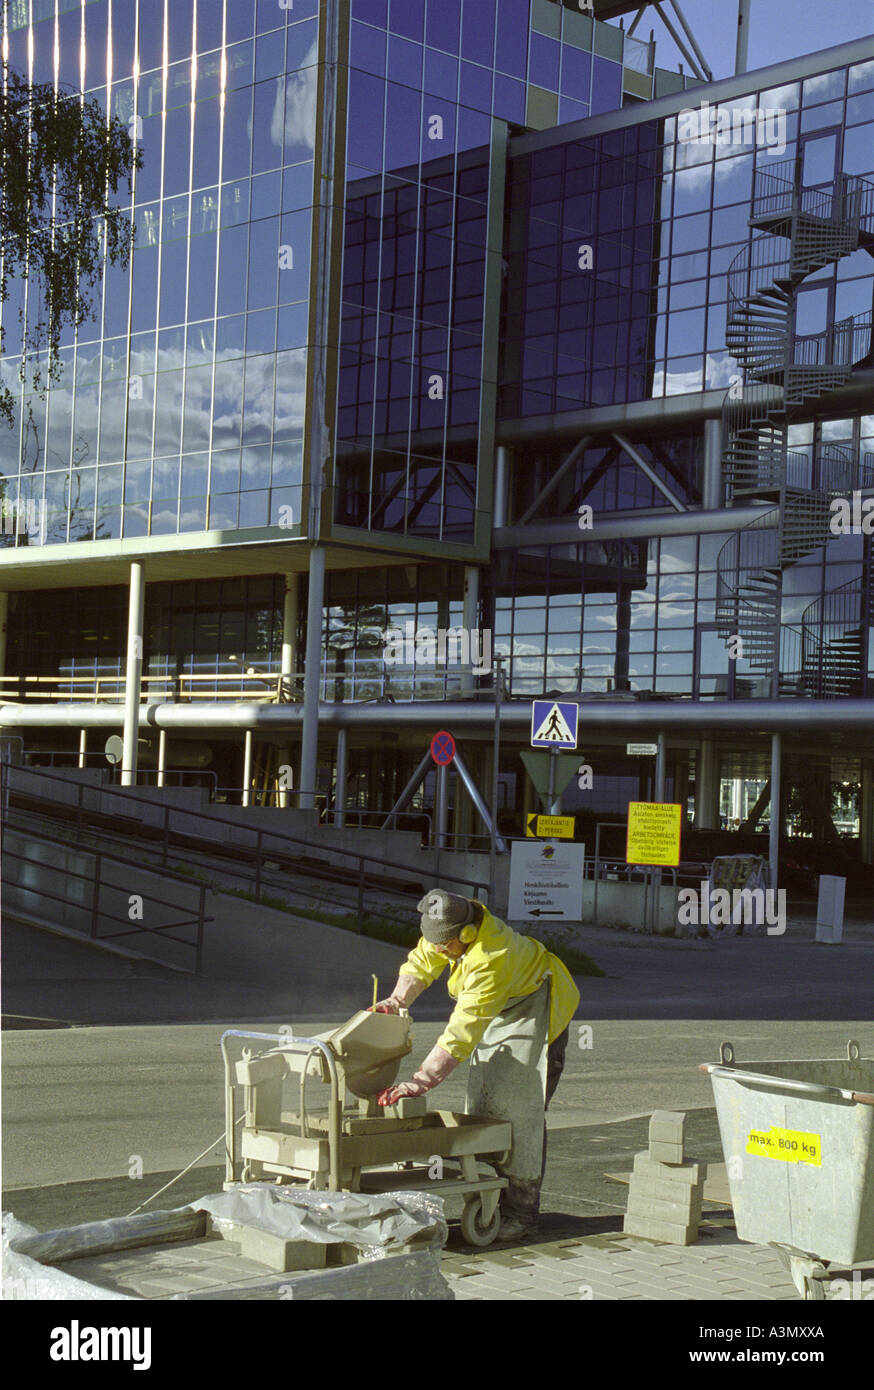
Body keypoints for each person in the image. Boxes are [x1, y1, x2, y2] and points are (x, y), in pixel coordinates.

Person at [372, 888, 580, 1241]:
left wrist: (420, 1081)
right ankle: (492, 1197)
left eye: (444, 945)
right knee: (486, 1107)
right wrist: (396, 1000)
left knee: (521, 1115)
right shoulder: (447, 929)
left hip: (537, 1008)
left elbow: (462, 1030)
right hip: (503, 1008)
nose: (438, 950)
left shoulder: (491, 956)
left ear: (466, 935)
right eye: (434, 943)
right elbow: (423, 961)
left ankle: (522, 1212)